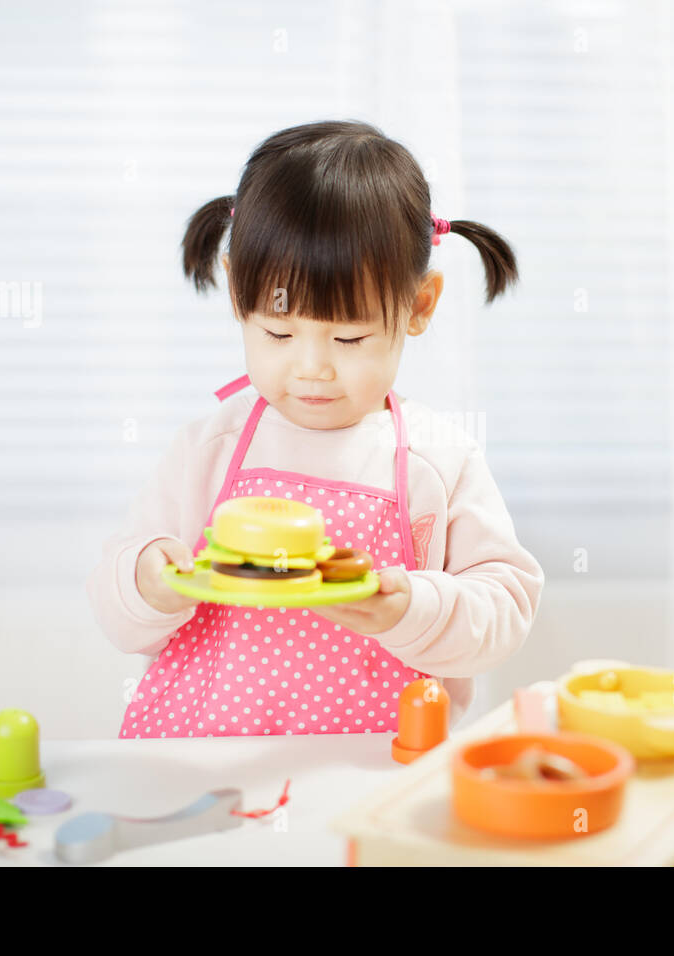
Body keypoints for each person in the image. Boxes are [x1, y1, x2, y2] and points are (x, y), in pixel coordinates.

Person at [87, 119, 544, 736]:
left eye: (349, 337)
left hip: (376, 767)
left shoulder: (439, 458)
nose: (312, 368)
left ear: (419, 306)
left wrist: (412, 606)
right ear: (236, 297)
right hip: (203, 759)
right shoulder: (211, 448)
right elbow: (117, 611)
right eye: (277, 334)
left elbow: (505, 606)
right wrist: (149, 580)